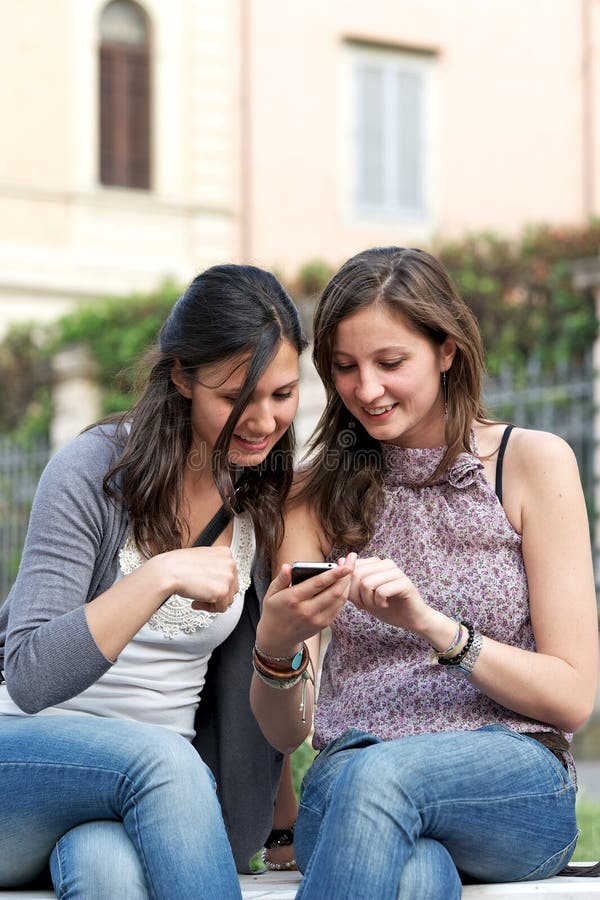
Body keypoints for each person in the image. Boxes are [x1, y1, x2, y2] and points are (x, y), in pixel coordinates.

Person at [250, 247, 599, 899]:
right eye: (346, 367)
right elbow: (287, 731)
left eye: (390, 363)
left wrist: (434, 628)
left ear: (447, 350)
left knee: (383, 779)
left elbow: (573, 695)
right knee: (413, 874)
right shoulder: (311, 497)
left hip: (513, 780)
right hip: (353, 781)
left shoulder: (531, 464)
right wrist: (274, 647)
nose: (367, 390)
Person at [0, 263, 310, 899]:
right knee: (164, 759)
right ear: (181, 377)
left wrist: (282, 827)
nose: (261, 421)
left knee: (105, 871)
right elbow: (29, 675)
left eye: (281, 395)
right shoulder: (93, 472)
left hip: (151, 804)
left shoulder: (260, 496)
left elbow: (243, 682)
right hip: (26, 766)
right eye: (234, 399)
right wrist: (159, 576)